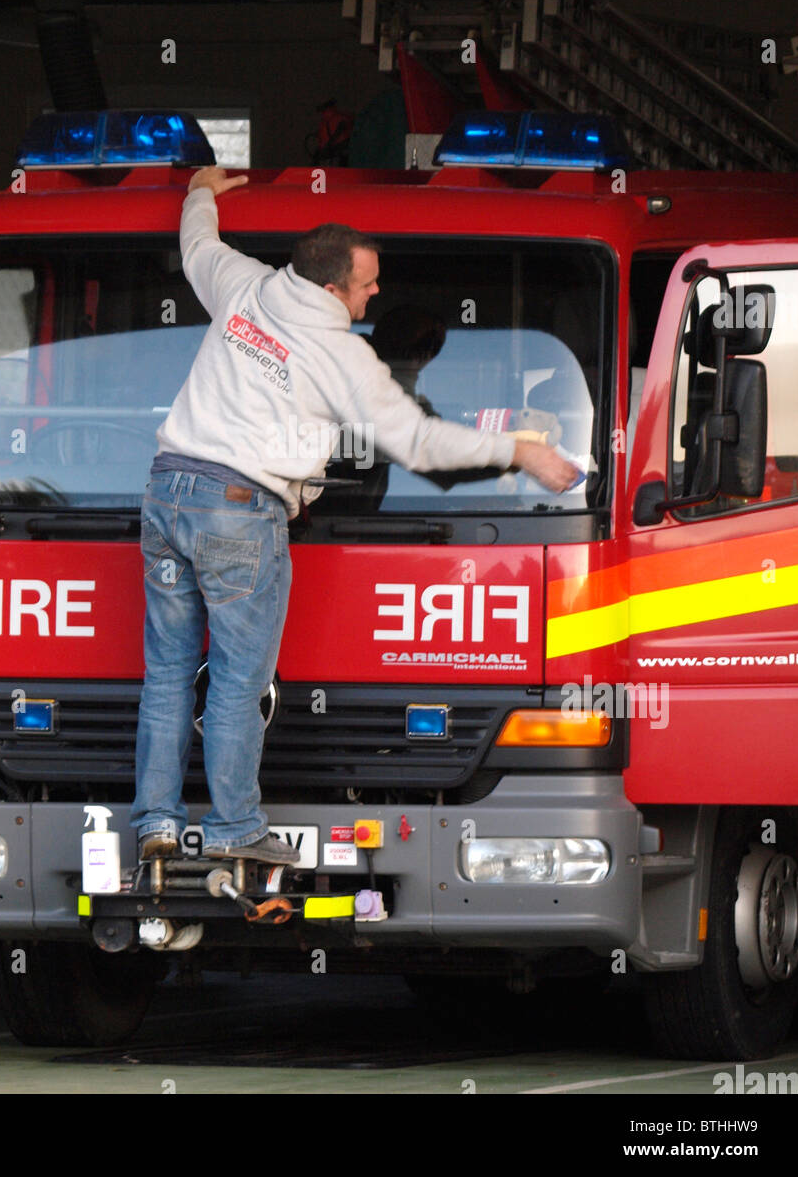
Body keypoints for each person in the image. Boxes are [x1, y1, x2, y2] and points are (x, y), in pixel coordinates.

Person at [132, 166, 578, 866]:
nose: (376, 292)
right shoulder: (340, 352)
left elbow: (196, 244)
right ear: (332, 286)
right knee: (236, 682)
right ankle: (233, 829)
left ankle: (155, 824)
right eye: (367, 281)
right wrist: (516, 451)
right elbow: (418, 442)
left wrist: (200, 191)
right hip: (240, 511)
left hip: (165, 493)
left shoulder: (244, 285)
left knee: (165, 675)